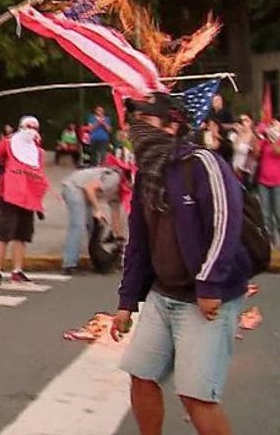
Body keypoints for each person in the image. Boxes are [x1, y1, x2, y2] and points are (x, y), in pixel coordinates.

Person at [111, 92, 250, 435]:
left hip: (204, 298)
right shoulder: (147, 174)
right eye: (134, 123)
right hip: (162, 294)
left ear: (172, 126)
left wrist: (210, 285)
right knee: (141, 376)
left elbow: (226, 223)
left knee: (196, 396)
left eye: (146, 121)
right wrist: (127, 302)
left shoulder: (202, 164)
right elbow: (138, 243)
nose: (137, 130)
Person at [0, 115, 49, 287]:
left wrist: (39, 198)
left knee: (22, 235)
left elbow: (39, 174)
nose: (31, 131)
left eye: (34, 128)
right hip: (8, 194)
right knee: (4, 235)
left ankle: (17, 271)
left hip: (28, 197)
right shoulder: (9, 143)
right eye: (28, 127)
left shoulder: (37, 152)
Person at [60, 160, 130, 275]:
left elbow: (116, 216)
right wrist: (97, 209)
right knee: (78, 225)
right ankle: (69, 265)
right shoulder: (114, 179)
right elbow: (89, 188)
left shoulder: (119, 192)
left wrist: (120, 238)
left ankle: (96, 261)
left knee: (93, 228)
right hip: (74, 187)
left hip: (83, 191)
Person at [256, 120, 280, 251]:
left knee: (279, 212)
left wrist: (275, 138)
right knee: (265, 213)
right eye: (272, 125)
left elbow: (277, 151)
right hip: (263, 182)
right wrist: (258, 136)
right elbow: (256, 154)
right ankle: (270, 239)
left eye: (276, 126)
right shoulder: (264, 142)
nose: (272, 128)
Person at [229, 114, 258, 183]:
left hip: (245, 170)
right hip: (234, 166)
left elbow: (255, 155)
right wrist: (239, 134)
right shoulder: (236, 135)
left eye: (246, 121)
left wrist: (242, 169)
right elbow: (234, 149)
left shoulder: (253, 137)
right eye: (241, 121)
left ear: (251, 123)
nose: (243, 123)